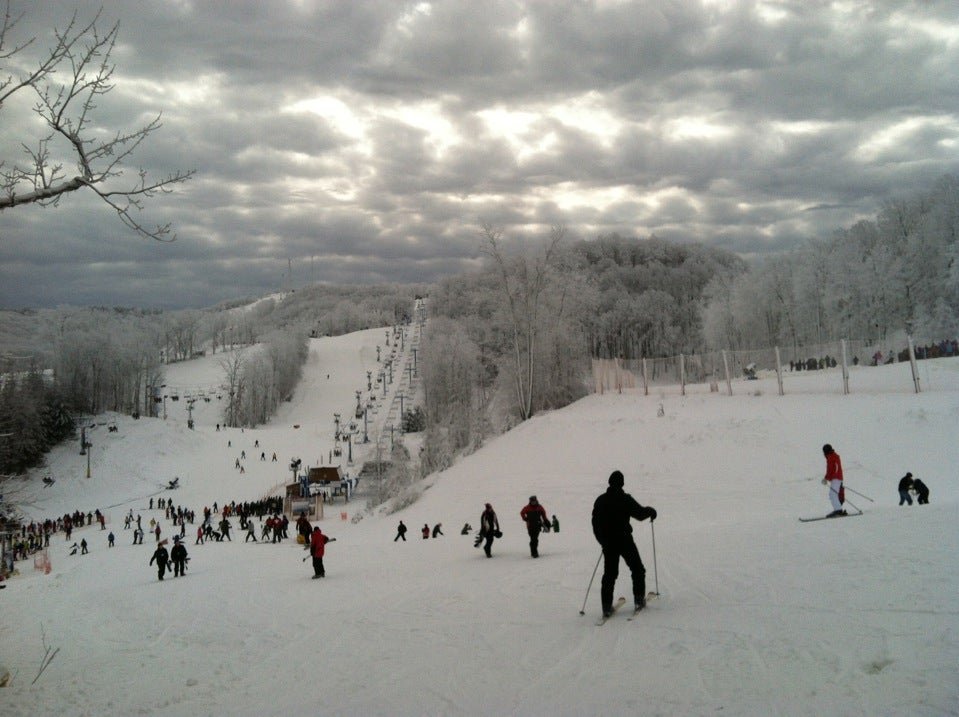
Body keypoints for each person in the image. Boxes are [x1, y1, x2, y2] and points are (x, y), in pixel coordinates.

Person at [591, 470, 657, 616]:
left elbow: (595, 524)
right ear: (622, 483)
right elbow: (640, 514)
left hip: (609, 543)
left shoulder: (601, 500)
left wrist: (602, 541)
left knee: (610, 574)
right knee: (638, 569)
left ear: (609, 482)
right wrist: (651, 511)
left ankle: (606, 607)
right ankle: (639, 600)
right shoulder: (625, 499)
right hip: (625, 541)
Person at [821, 444, 846, 517]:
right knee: (833, 494)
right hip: (837, 477)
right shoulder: (833, 456)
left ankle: (838, 510)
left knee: (833, 494)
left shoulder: (831, 457)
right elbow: (833, 469)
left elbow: (831, 469)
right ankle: (838, 509)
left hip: (836, 478)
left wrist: (826, 478)